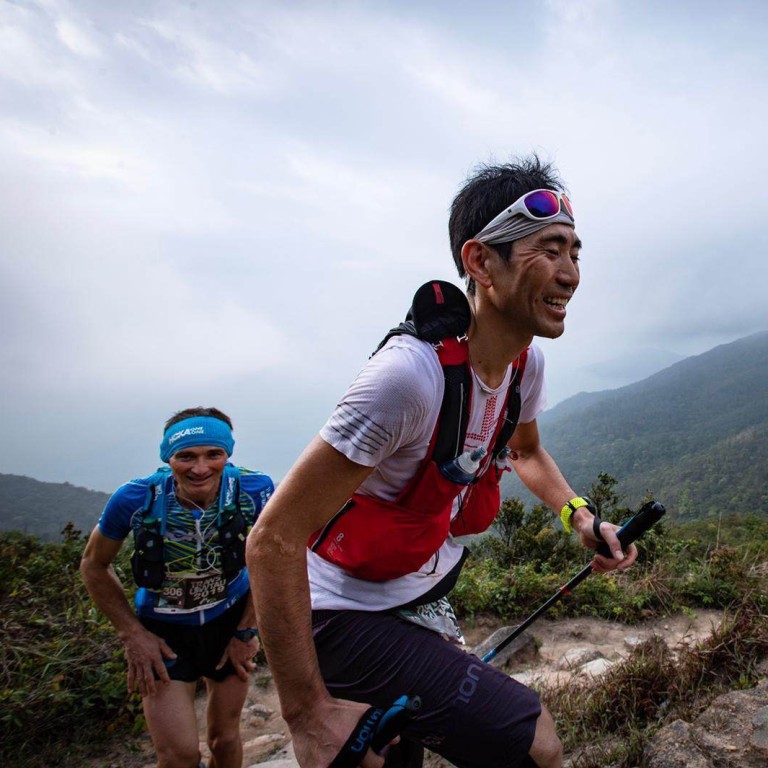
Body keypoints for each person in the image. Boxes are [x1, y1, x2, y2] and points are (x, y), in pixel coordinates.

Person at [245, 156, 638, 768]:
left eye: (575, 253)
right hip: (341, 614)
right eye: (549, 250)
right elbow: (273, 539)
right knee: (537, 745)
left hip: (417, 596)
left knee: (400, 755)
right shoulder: (409, 379)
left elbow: (526, 451)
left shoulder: (522, 366)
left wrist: (581, 520)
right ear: (481, 262)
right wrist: (307, 716)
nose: (571, 275)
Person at [81, 407, 274, 768]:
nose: (200, 468)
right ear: (168, 457)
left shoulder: (253, 490)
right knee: (178, 756)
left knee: (225, 738)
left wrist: (247, 629)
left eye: (212, 455)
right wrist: (132, 635)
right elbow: (93, 564)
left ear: (226, 454)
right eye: (186, 456)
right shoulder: (136, 498)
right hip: (163, 635)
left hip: (227, 621)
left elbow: (274, 560)